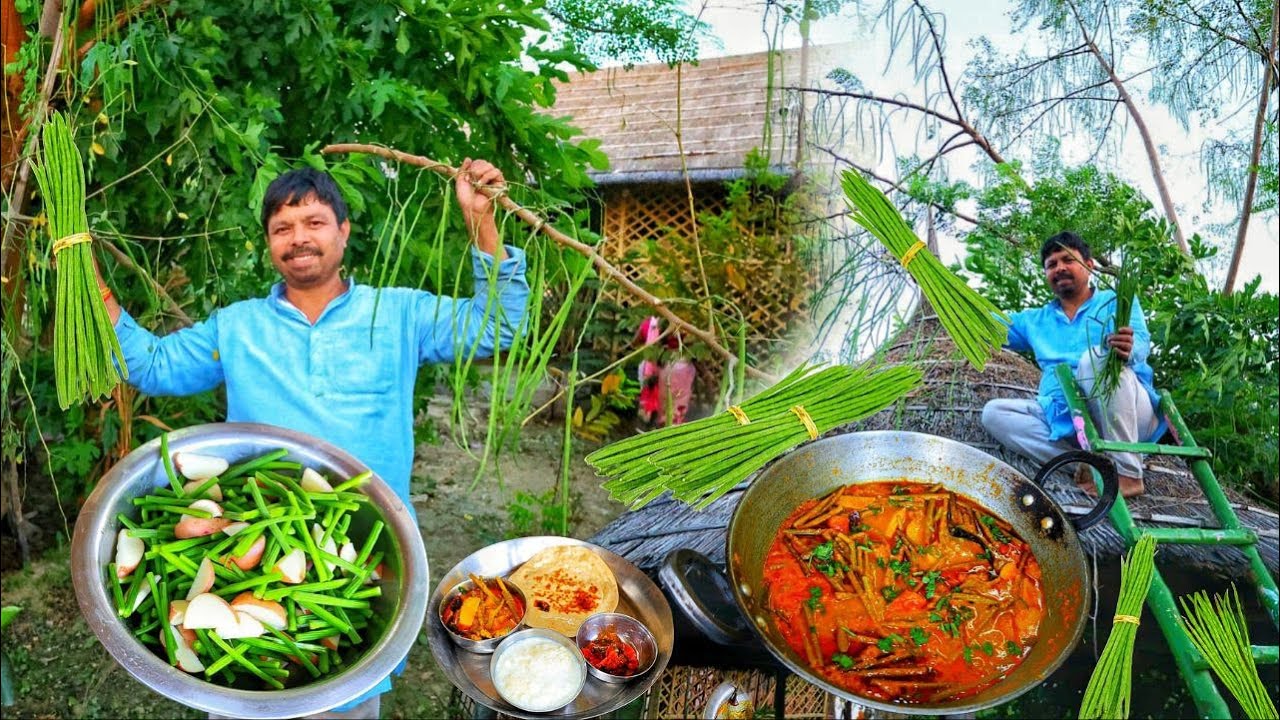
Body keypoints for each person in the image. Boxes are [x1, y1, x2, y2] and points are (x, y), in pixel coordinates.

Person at [95, 159, 529, 718]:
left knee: (343, 689)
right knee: (242, 689)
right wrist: (96, 292)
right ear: (269, 244)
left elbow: (498, 326)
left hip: (362, 556)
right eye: (282, 228)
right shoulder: (239, 325)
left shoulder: (397, 313)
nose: (299, 238)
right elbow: (154, 366)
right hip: (246, 545)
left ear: (344, 231)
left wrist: (480, 223)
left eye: (315, 223)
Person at [980, 231, 1160, 499]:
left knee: (1094, 359)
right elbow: (983, 323)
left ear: (1089, 265)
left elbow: (1141, 343)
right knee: (994, 413)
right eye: (1051, 264)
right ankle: (1089, 463)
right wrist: (946, 295)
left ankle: (1127, 473)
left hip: (1126, 412)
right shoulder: (1035, 320)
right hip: (1070, 419)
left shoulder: (1116, 301)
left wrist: (1129, 349)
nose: (1059, 268)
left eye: (1067, 260)